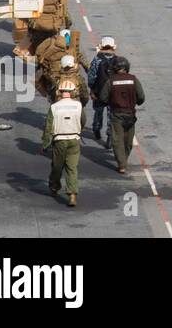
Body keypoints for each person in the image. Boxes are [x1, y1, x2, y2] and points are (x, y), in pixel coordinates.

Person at [98, 56, 145, 174]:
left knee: (117, 140)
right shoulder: (133, 79)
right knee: (128, 140)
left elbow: (103, 98)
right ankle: (123, 159)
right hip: (130, 114)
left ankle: (122, 164)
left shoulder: (111, 81)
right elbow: (141, 97)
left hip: (117, 114)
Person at [42, 79, 84, 208]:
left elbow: (48, 127)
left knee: (57, 166)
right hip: (74, 140)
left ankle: (54, 186)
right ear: (73, 92)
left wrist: (45, 144)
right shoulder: (79, 105)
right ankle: (72, 194)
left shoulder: (54, 107)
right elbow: (83, 121)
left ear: (59, 92)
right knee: (72, 168)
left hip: (59, 140)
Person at [88, 37, 118, 143]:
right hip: (113, 93)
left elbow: (92, 76)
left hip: (99, 91)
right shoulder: (118, 61)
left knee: (98, 112)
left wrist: (92, 89)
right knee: (112, 114)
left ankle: (97, 129)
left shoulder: (97, 59)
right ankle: (110, 135)